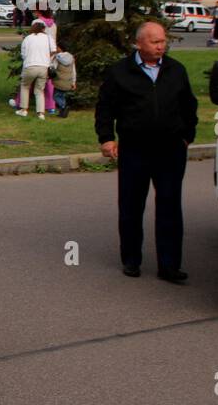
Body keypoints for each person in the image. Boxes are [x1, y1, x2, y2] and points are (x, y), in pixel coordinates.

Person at [95, 20, 198, 283]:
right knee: (131, 206)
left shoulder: (176, 70)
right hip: (134, 150)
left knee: (170, 208)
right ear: (139, 43)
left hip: (171, 151)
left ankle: (170, 266)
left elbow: (189, 106)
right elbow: (105, 108)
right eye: (155, 42)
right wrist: (107, 138)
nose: (161, 46)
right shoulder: (120, 72)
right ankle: (131, 259)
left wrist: (187, 136)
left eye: (163, 41)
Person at [16, 20, 53, 119]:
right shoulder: (48, 38)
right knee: (39, 90)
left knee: (25, 86)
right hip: (44, 67)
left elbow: (23, 54)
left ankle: (24, 110)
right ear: (43, 29)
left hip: (30, 65)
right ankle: (41, 113)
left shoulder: (27, 38)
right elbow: (53, 50)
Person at [35, 4, 58, 113]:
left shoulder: (37, 23)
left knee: (29, 79)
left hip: (39, 53)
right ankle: (51, 105)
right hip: (51, 53)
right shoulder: (53, 24)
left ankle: (21, 102)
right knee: (48, 80)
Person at [50, 42, 77, 118]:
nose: (56, 48)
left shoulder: (57, 57)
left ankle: (64, 106)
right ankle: (63, 113)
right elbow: (73, 71)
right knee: (61, 96)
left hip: (59, 80)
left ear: (60, 48)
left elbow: (53, 67)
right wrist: (73, 82)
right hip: (68, 80)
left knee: (56, 96)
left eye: (57, 47)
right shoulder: (71, 57)